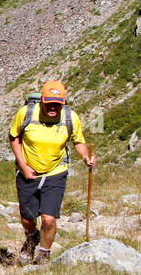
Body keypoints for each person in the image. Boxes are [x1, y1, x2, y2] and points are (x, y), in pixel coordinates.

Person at [8, 81, 95, 265]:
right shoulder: (26, 114)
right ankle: (32, 237)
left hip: (56, 172)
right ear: (42, 101)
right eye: (49, 104)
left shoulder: (70, 117)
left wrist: (86, 157)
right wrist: (23, 165)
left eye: (58, 104)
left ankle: (43, 255)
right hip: (28, 172)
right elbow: (14, 136)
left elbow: (78, 141)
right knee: (27, 218)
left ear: (63, 102)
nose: (53, 108)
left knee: (48, 218)